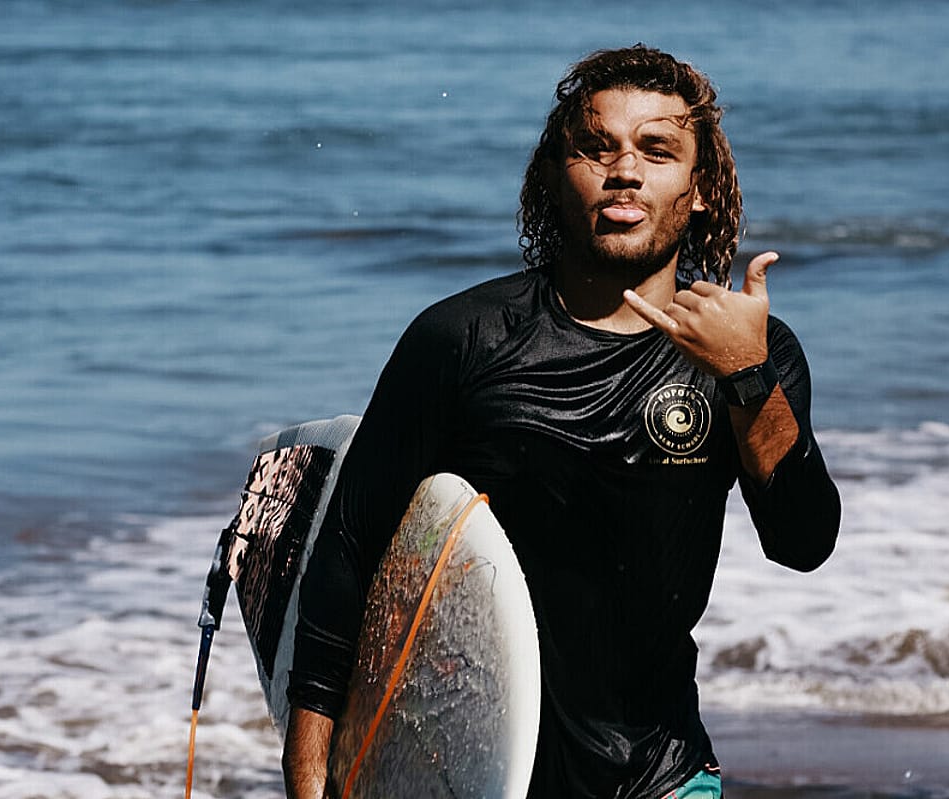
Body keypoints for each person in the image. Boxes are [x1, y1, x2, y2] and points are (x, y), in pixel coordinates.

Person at [282, 45, 841, 799]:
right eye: (596, 146)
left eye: (657, 149)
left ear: (701, 187)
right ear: (555, 175)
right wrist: (310, 779)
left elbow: (803, 542)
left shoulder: (752, 352)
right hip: (468, 771)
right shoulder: (463, 339)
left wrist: (745, 376)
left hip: (662, 775)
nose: (625, 170)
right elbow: (347, 557)